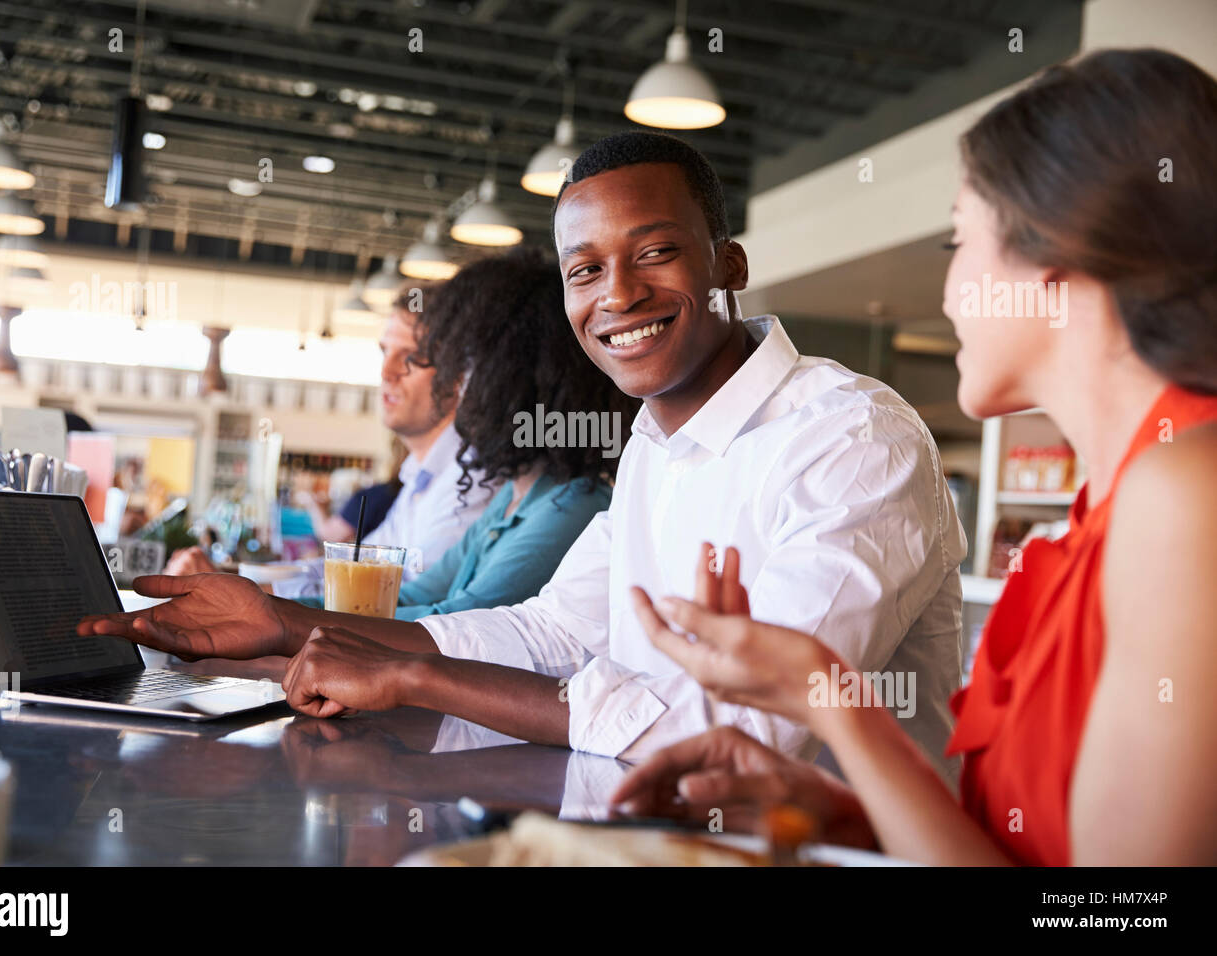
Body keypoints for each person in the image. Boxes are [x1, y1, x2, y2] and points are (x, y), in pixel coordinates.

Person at [79, 131, 966, 777]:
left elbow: (749, 730)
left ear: (727, 263)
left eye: (654, 253)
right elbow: (552, 631)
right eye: (584, 270)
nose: (617, 294)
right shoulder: (660, 442)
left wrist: (413, 673)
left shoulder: (850, 437)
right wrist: (285, 623)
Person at [611, 49, 1217, 866]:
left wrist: (830, 701)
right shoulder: (1111, 510)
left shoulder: (1189, 492)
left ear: (1057, 260)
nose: (948, 293)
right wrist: (843, 815)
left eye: (956, 244)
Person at [164, 282, 495, 581]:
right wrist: (230, 577)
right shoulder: (419, 478)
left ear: (459, 375)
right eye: (385, 352)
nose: (386, 371)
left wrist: (230, 586)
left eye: (410, 356)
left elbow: (403, 602)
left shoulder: (470, 479)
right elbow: (353, 571)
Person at [391, 246, 634, 619]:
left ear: (513, 380)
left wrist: (294, 620)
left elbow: (457, 621)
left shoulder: (573, 506)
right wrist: (284, 610)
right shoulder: (511, 498)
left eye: (468, 368)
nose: (458, 390)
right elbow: (406, 598)